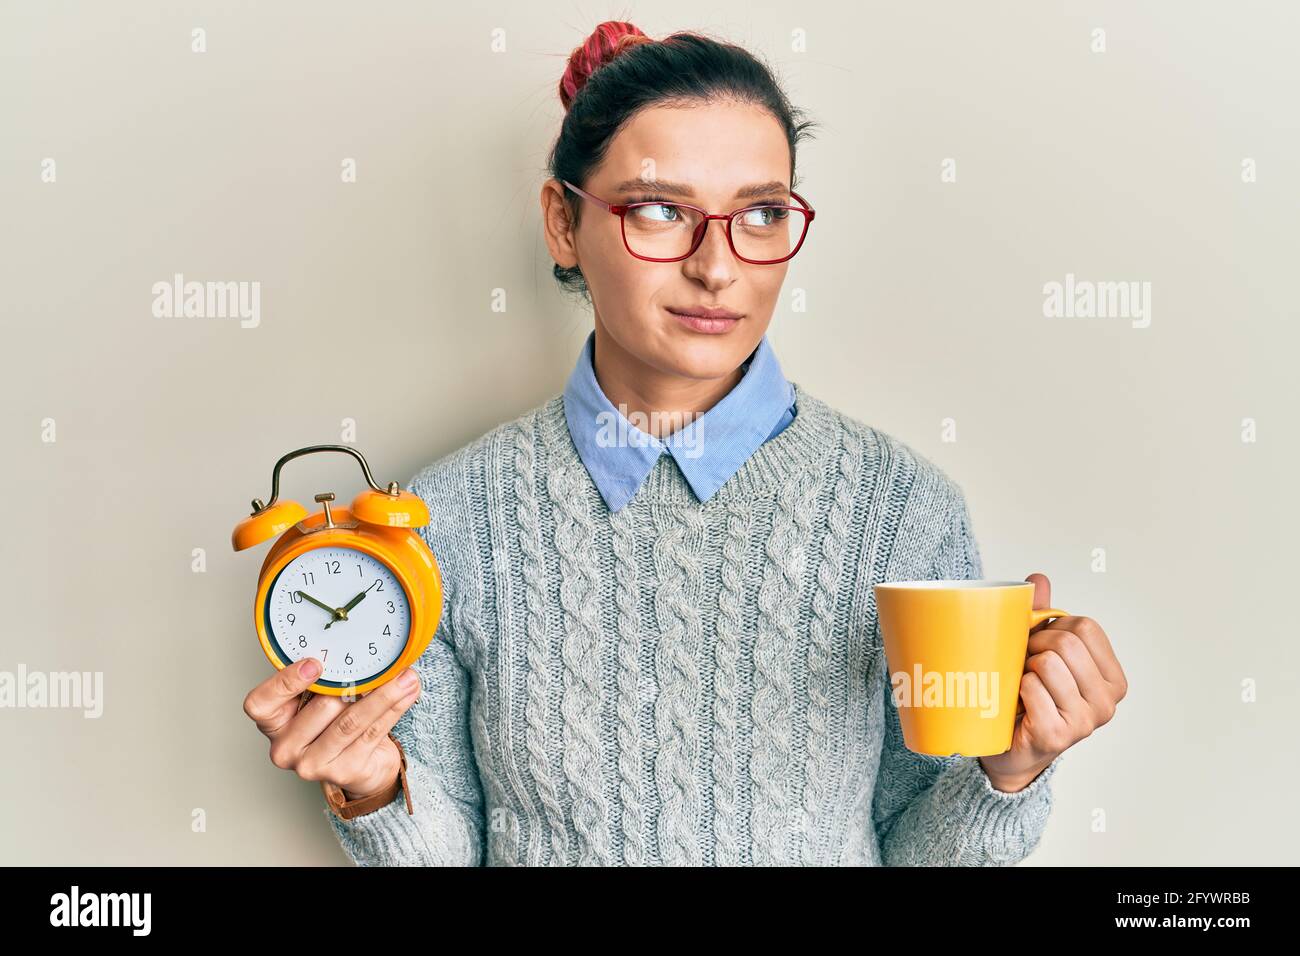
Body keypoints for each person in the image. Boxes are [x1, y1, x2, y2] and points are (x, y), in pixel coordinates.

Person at [242, 20, 1127, 866]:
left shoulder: (902, 509)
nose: (718, 266)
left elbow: (913, 852)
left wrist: (1010, 772)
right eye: (661, 211)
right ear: (562, 221)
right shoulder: (443, 525)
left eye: (762, 213)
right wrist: (371, 785)